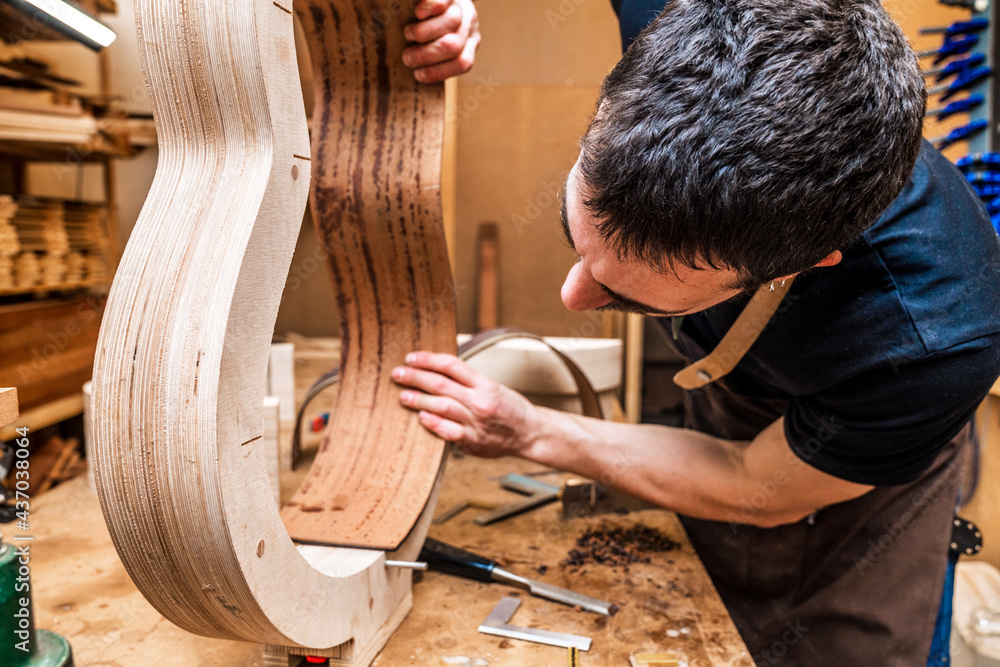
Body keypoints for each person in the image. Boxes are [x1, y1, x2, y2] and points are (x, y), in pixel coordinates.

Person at [399, 0, 1000, 664]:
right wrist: (443, 13)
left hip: (854, 466)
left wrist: (532, 430)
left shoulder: (931, 343)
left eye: (627, 295)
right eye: (579, 232)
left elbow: (750, 481)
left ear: (799, 267)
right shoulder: (688, 20)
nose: (574, 296)